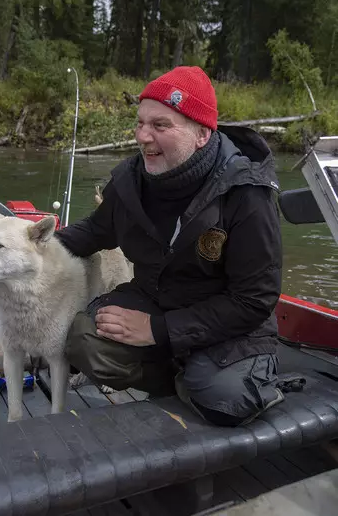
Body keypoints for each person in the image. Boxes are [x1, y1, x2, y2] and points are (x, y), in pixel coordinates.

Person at [55, 66, 284, 426]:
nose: (143, 137)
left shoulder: (247, 194)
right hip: (158, 300)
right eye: (140, 123)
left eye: (160, 126)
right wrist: (29, 246)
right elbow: (94, 232)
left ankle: (196, 376)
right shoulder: (129, 181)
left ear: (202, 134)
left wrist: (157, 331)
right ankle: (180, 376)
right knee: (86, 342)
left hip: (230, 325)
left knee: (226, 399)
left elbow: (254, 300)